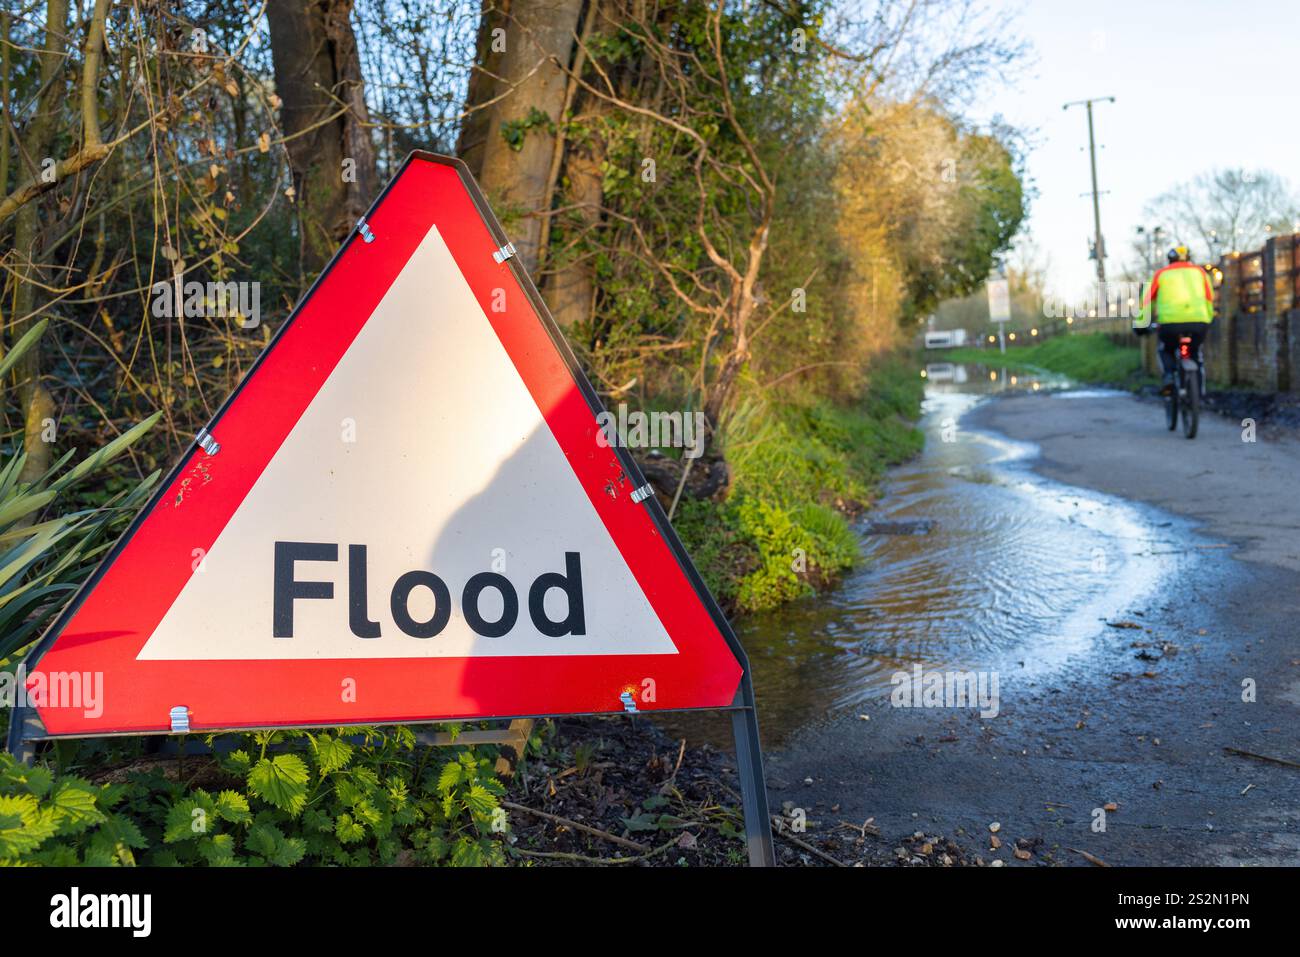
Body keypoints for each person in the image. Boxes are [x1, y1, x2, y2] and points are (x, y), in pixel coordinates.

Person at [1132, 246, 1215, 395]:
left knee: (1166, 349)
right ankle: (1199, 391)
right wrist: (1208, 319)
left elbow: (1146, 301)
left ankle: (1169, 376)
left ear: (1169, 260)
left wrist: (1141, 324)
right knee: (1195, 353)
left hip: (1170, 325)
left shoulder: (1161, 274)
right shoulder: (1201, 273)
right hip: (1199, 322)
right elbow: (1210, 299)